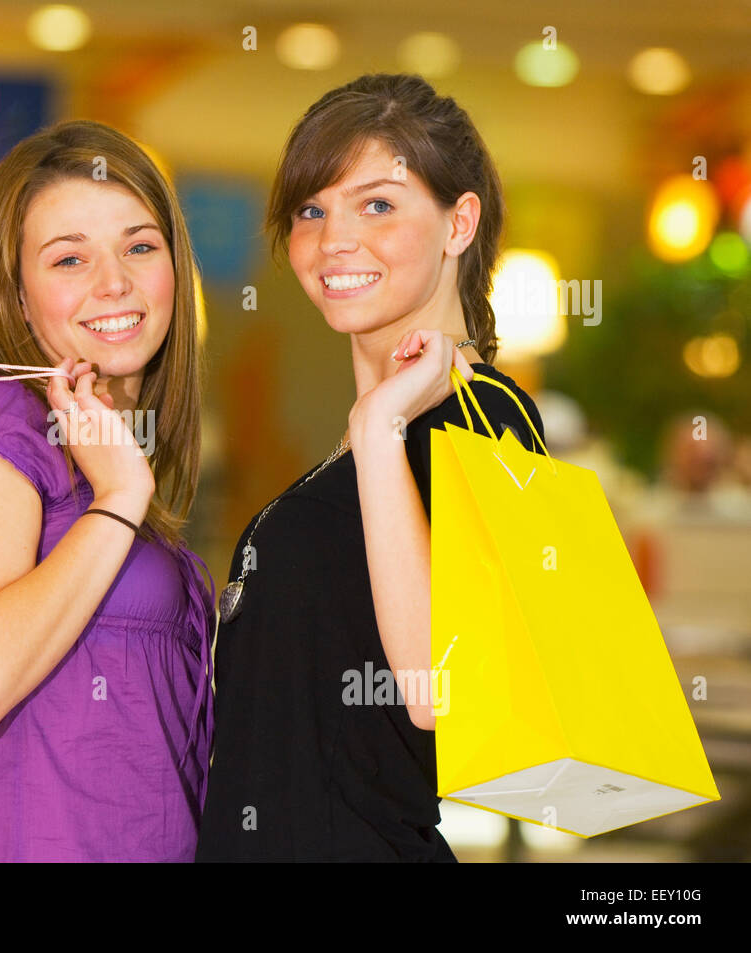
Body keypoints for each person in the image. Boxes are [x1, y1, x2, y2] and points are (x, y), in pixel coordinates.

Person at [196, 73, 548, 862]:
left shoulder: (483, 419)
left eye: (378, 204)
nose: (333, 240)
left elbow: (438, 689)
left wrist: (380, 422)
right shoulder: (360, 447)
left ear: (460, 222)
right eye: (312, 210)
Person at [0, 119, 214, 861]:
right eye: (69, 258)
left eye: (141, 245)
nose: (115, 282)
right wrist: (115, 501)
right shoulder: (2, 426)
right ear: (16, 293)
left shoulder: (111, 451)